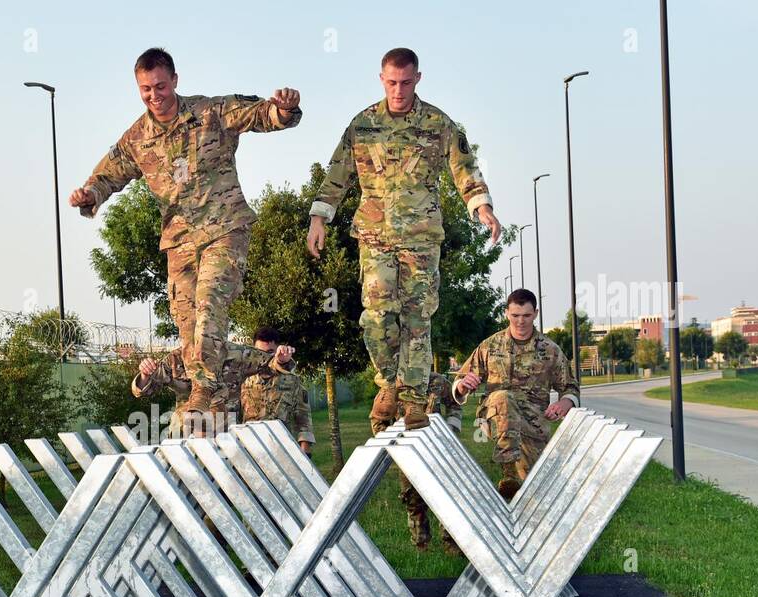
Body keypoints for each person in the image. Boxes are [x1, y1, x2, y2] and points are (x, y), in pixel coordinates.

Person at [71, 47, 302, 432]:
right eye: (145, 89)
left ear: (175, 80)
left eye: (160, 86)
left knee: (210, 302)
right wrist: (90, 194)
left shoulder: (210, 113)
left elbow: (259, 115)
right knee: (188, 323)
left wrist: (283, 109)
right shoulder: (137, 137)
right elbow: (109, 174)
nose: (154, 95)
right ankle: (205, 398)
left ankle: (203, 389)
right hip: (178, 242)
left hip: (224, 229)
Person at [307, 46, 500, 433]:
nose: (399, 90)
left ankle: (413, 400)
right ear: (382, 79)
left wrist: (481, 206)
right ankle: (389, 384)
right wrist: (319, 217)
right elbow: (338, 173)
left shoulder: (437, 123)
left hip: (421, 239)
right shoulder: (362, 126)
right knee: (376, 319)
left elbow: (464, 166)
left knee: (417, 320)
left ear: (418, 79)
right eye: (392, 82)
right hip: (374, 237)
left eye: (406, 82)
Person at [453, 289, 579, 500]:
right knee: (504, 397)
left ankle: (518, 505)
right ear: (506, 313)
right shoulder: (490, 345)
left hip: (533, 422)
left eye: (527, 316)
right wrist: (463, 385)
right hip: (495, 416)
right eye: (515, 315)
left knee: (534, 492)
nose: (521, 321)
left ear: (536, 313)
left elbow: (570, 387)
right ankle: (508, 471)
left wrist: (565, 403)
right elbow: (461, 380)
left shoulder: (550, 350)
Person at [371, 369, 462, 552]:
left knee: (446, 497)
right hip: (408, 451)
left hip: (438, 448)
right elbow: (377, 418)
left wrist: (451, 429)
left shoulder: (437, 381)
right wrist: (392, 444)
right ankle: (421, 545)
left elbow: (455, 404)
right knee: (413, 499)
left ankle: (451, 545)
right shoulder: (391, 387)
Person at [132, 341, 295, 436]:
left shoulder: (238, 354)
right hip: (186, 435)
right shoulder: (177, 358)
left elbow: (270, 365)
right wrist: (145, 374)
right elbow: (144, 390)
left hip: (225, 434)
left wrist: (281, 360)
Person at [240, 327, 315, 454]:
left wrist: (305, 453)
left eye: (269, 352)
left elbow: (303, 419)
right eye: (259, 352)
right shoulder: (243, 379)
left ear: (277, 351)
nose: (264, 358)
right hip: (249, 449)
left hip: (281, 449)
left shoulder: (292, 381)